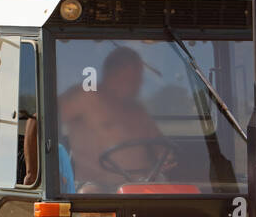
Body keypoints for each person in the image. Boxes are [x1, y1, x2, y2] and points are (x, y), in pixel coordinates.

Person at [24, 46, 175, 192]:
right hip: (98, 187)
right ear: (112, 75)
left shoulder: (138, 110)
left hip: (140, 184)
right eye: (131, 79)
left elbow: (160, 145)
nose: (138, 85)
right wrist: (32, 174)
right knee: (89, 194)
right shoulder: (84, 99)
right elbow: (38, 119)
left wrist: (166, 157)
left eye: (138, 79)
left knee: (174, 194)